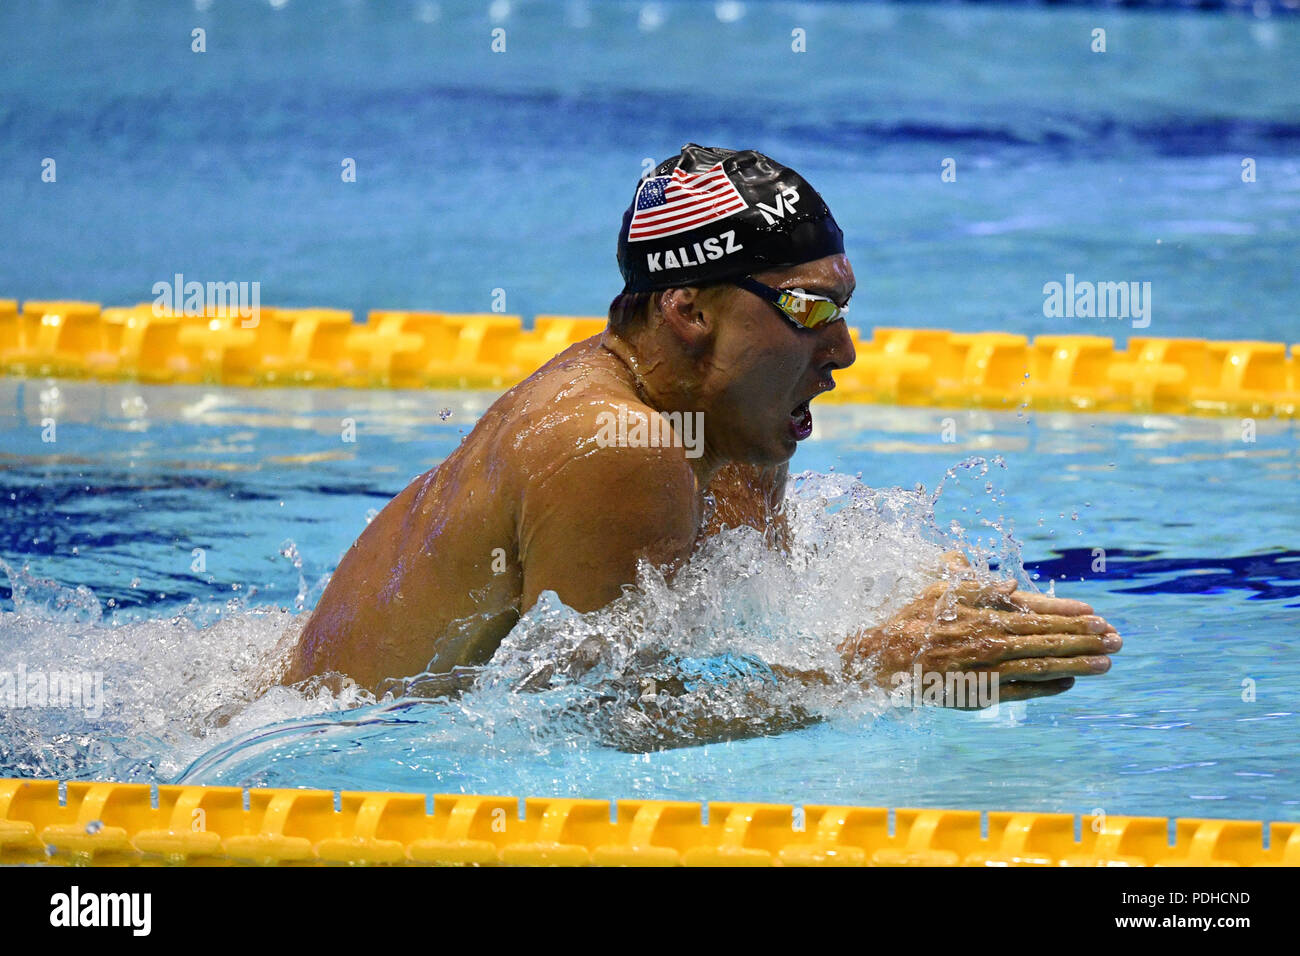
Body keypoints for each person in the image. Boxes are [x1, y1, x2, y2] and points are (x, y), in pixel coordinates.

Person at [282, 143, 1120, 709]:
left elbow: (748, 616)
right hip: (329, 766)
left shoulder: (727, 420)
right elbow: (593, 718)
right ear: (687, 309)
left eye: (843, 307)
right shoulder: (617, 444)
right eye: (806, 308)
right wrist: (882, 670)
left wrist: (926, 603)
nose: (845, 349)